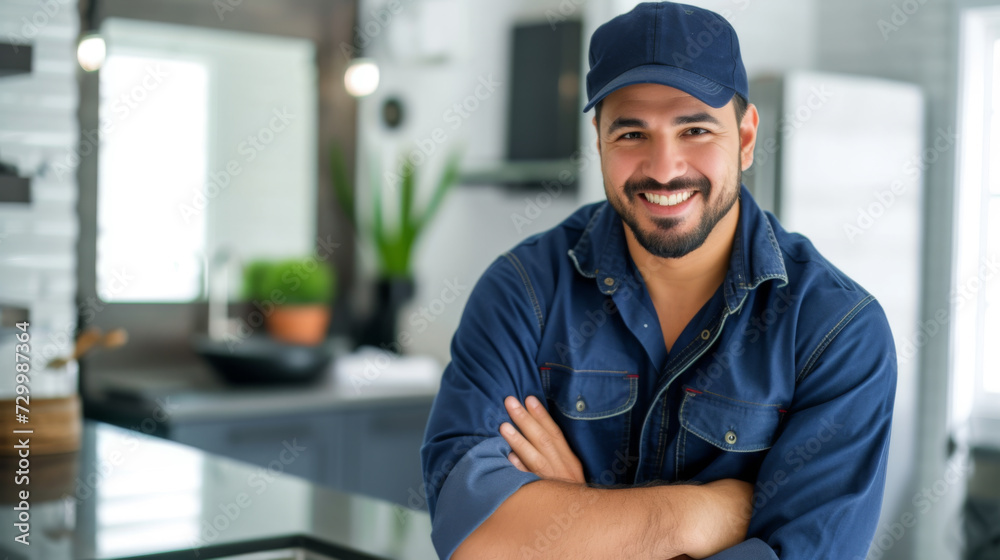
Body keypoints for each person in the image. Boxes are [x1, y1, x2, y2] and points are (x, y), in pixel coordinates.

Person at [420, 2, 897, 558]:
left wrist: (571, 514)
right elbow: (474, 537)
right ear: (598, 139)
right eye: (631, 134)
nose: (665, 167)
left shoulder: (835, 332)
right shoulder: (522, 293)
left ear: (745, 139)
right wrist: (695, 517)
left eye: (695, 128)